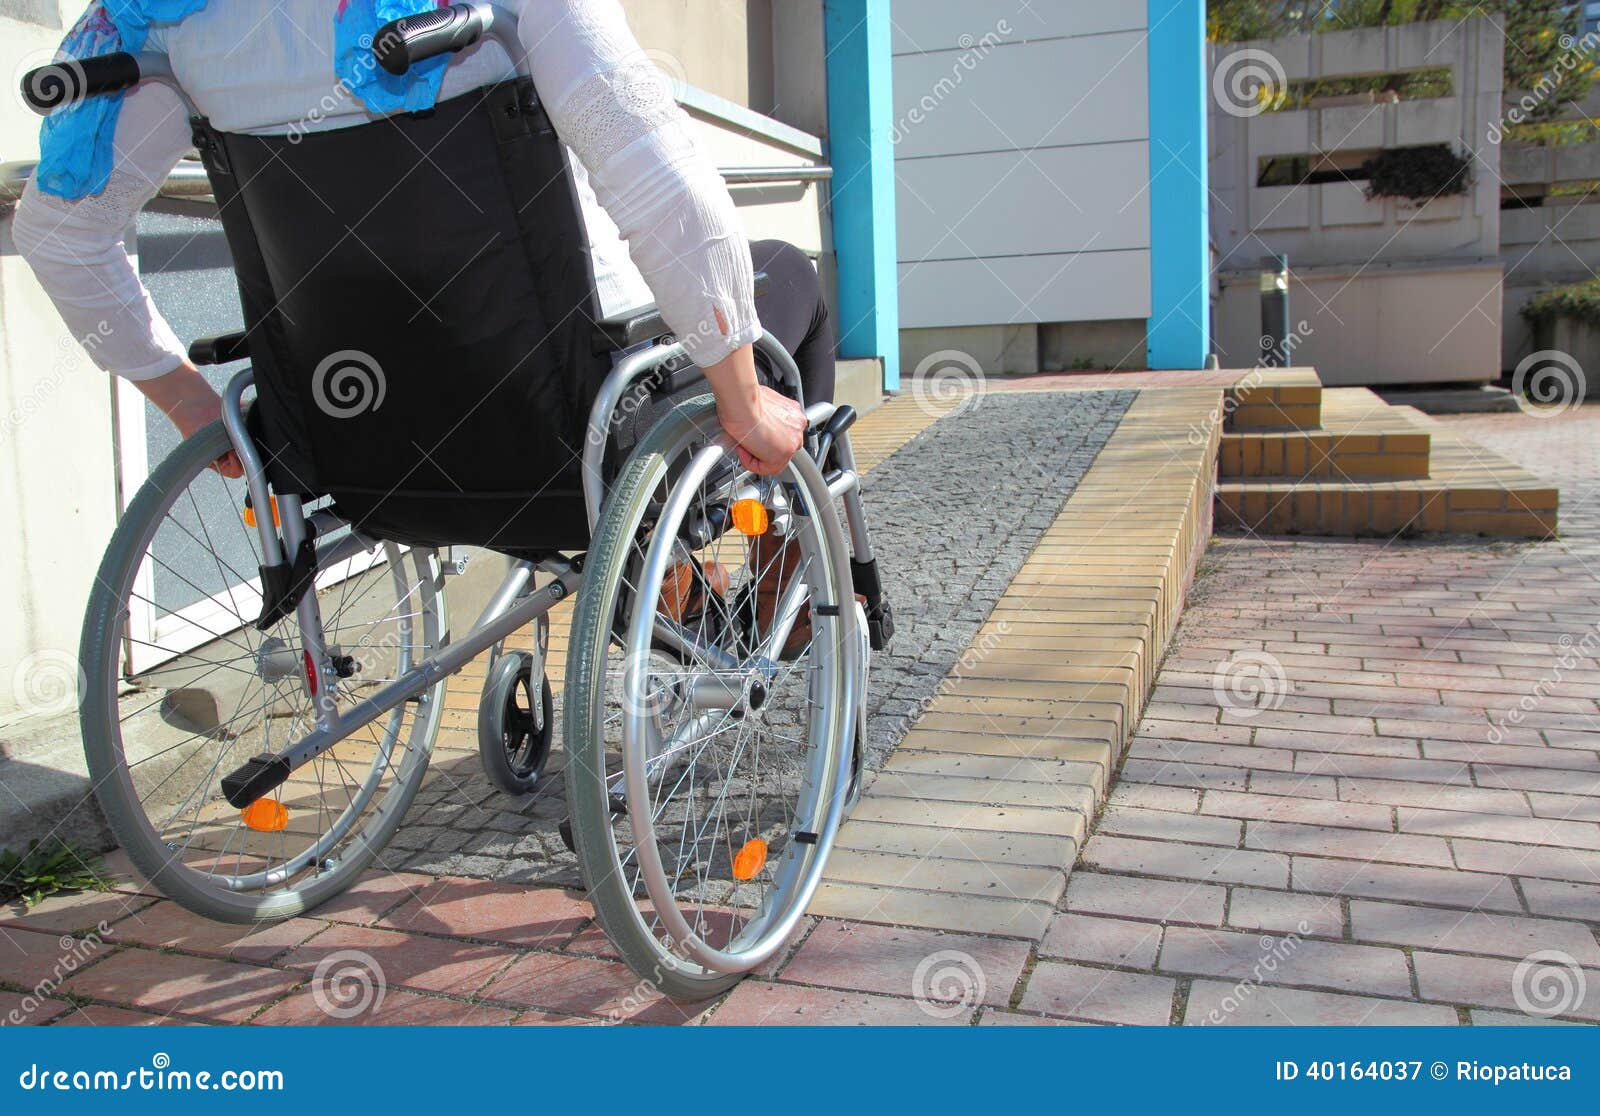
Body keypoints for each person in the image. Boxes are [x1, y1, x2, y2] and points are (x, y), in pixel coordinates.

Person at [14, 0, 835, 480]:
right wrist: (741, 399)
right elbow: (656, 179)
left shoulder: (165, 21)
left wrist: (195, 412)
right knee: (788, 277)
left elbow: (59, 234)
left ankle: (688, 589)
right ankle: (775, 564)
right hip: (562, 405)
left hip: (344, 431)